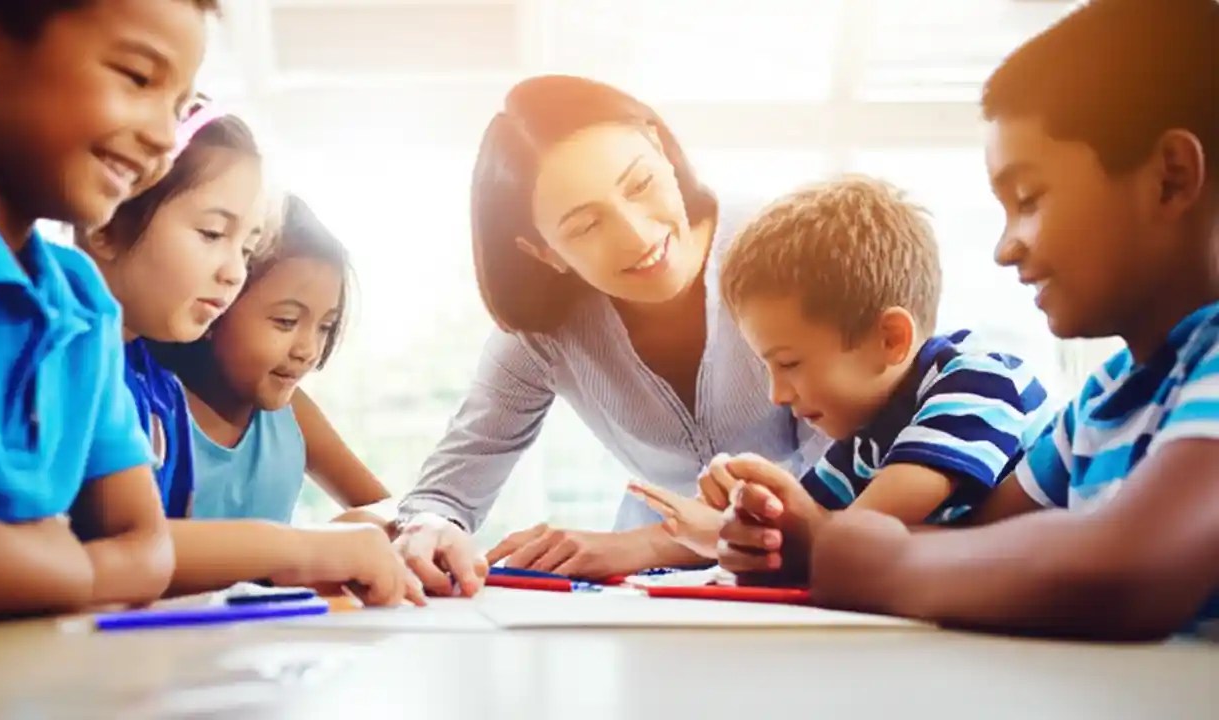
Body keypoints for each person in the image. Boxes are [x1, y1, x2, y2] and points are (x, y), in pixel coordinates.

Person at [727, 0, 1219, 641]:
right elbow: (978, 541)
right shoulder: (1099, 404)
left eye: (1028, 200)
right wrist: (808, 542)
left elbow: (1128, 570)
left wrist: (856, 555)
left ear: (1170, 179)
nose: (1005, 248)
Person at [389, 74, 829, 593]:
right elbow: (448, 489)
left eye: (640, 185)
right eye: (585, 226)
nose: (637, 236)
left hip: (812, 573)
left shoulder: (791, 249)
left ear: (660, 149)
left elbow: (846, 480)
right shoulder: (544, 330)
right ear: (544, 251)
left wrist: (648, 543)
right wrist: (430, 528)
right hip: (653, 597)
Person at [0, 0, 215, 621]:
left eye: (178, 110)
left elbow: (148, 550)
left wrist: (17, 566)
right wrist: (83, 568)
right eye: (137, 78)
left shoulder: (83, 299)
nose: (165, 138)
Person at [83, 106, 423, 607]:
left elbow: (141, 548)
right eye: (212, 234)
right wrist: (304, 551)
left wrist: (350, 538)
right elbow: (130, 549)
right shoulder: (81, 359)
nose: (232, 274)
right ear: (106, 221)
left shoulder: (152, 387)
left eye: (246, 249)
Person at [633, 177, 1052, 577]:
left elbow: (848, 540)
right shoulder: (865, 445)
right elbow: (800, 529)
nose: (777, 395)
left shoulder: (981, 384)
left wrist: (757, 527)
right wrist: (744, 513)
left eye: (789, 364)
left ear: (890, 339)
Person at [156, 194, 390, 525]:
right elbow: (145, 543)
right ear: (215, 305)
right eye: (286, 321)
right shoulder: (152, 408)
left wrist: (362, 523)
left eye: (325, 327)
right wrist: (307, 547)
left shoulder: (292, 414)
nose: (308, 350)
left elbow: (390, 508)